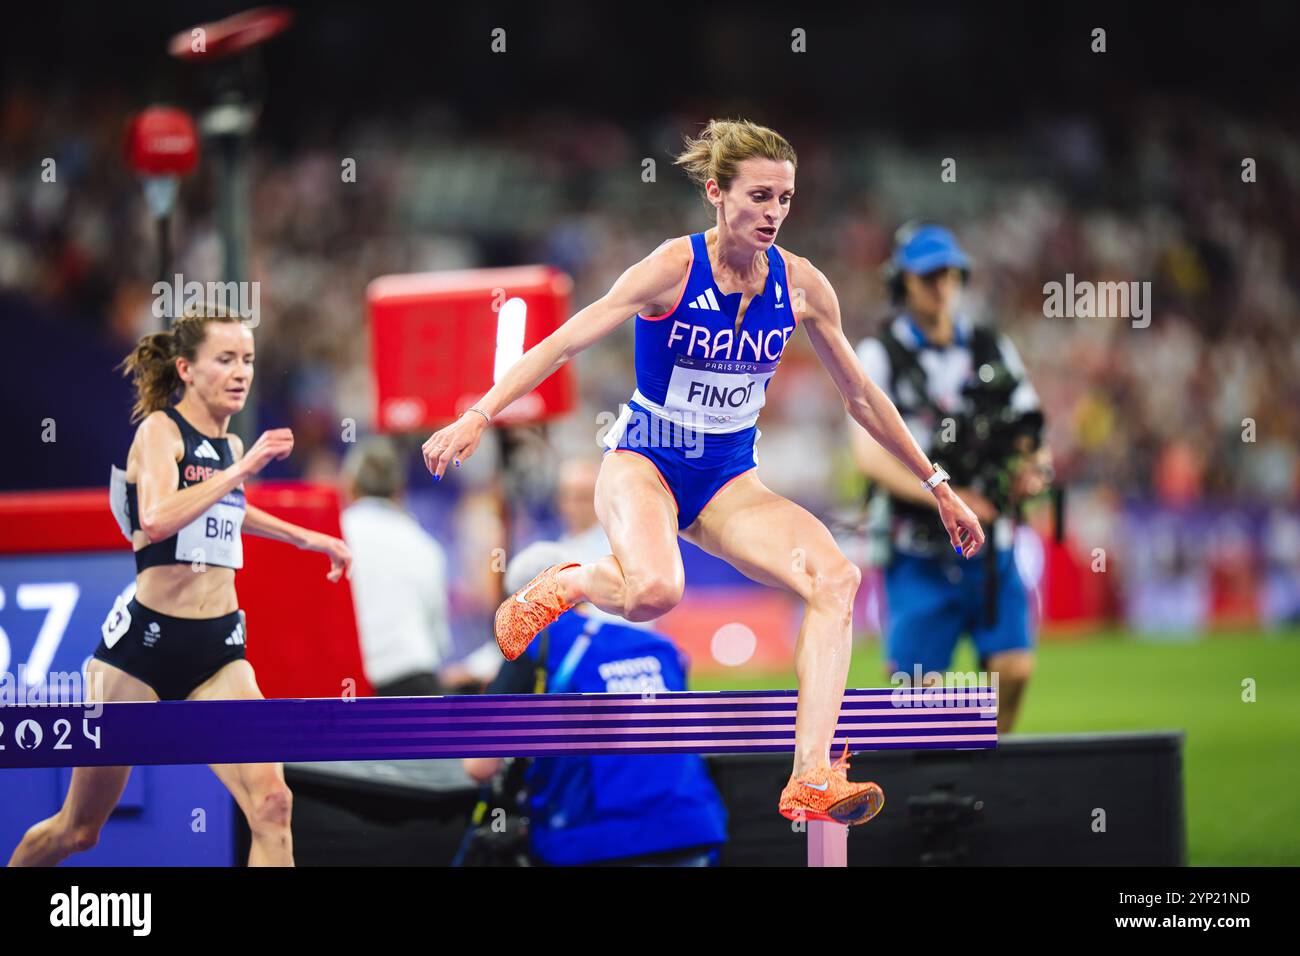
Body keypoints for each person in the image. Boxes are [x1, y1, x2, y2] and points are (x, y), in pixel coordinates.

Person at [424, 118, 986, 826]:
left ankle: (810, 773)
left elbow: (862, 398)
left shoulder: (803, 286)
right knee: (657, 590)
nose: (774, 214)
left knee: (835, 578)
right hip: (643, 463)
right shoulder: (671, 269)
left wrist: (937, 485)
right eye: (759, 197)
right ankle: (568, 582)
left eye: (785, 198)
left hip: (726, 481)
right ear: (718, 194)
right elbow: (566, 339)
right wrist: (479, 414)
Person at [8, 307, 353, 867]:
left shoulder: (230, 448)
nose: (241, 372)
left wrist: (308, 538)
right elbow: (160, 516)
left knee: (272, 805)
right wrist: (241, 472)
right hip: (139, 655)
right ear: (187, 369)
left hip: (219, 653)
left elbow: (230, 510)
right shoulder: (159, 432)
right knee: (77, 831)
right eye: (225, 360)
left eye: (248, 360)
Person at [849, 223, 1052, 733]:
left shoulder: (991, 345)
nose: (941, 284)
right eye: (928, 275)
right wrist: (950, 496)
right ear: (903, 283)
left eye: (950, 273)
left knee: (1014, 668)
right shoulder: (878, 354)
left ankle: (991, 765)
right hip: (916, 548)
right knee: (916, 699)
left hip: (989, 549)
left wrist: (1034, 471)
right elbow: (870, 458)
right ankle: (930, 797)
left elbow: (1031, 428)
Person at [463, 543, 728, 866]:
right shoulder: (659, 647)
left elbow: (479, 765)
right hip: (690, 829)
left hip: (594, 839)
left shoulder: (535, 646)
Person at [340, 436, 454, 696]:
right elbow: (438, 638)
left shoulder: (332, 538)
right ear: (399, 491)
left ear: (349, 485)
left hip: (350, 683)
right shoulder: (425, 545)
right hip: (414, 678)